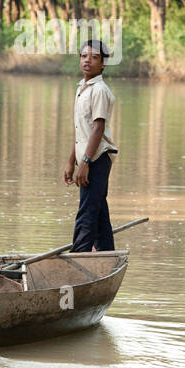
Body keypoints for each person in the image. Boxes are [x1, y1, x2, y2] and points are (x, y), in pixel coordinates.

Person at [62, 39, 118, 252]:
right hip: (86, 157)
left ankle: (79, 258)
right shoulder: (82, 88)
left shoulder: (99, 90)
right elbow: (80, 132)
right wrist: (71, 162)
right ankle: (106, 256)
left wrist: (85, 162)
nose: (88, 61)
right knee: (98, 210)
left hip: (97, 159)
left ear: (103, 64)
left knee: (86, 213)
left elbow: (97, 128)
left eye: (94, 58)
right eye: (84, 56)